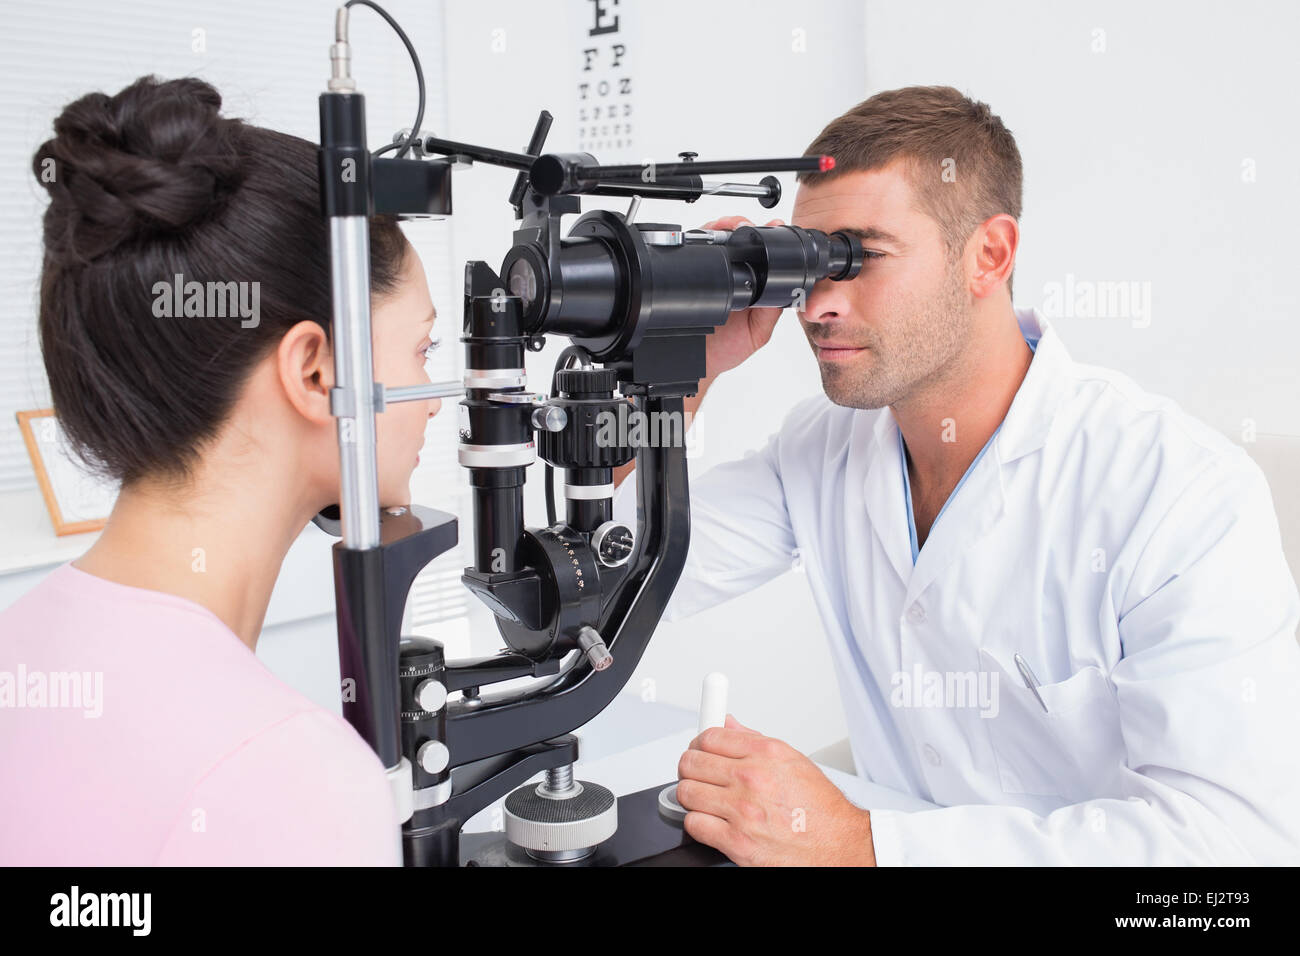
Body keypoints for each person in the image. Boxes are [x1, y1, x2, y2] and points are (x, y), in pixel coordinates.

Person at [613, 85, 1300, 866]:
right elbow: (617, 583)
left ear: (989, 255)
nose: (816, 305)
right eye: (808, 262)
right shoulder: (824, 445)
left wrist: (859, 844)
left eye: (858, 257)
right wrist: (681, 374)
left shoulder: (1177, 492)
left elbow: (1233, 856)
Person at [0, 75, 443, 864]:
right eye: (421, 350)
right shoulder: (293, 782)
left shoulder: (18, 653)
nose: (434, 399)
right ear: (316, 372)